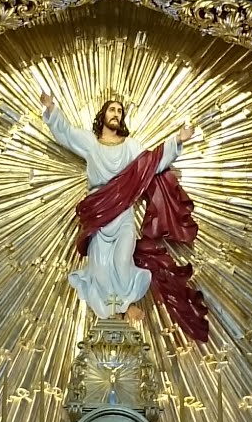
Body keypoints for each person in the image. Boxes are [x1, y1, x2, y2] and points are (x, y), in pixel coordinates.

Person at [40, 90, 211, 341]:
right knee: (99, 268)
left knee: (122, 262)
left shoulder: (130, 147)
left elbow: (153, 161)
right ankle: (114, 312)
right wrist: (51, 109)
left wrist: (178, 140)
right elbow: (65, 132)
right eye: (112, 110)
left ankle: (124, 306)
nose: (116, 114)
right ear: (103, 115)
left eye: (120, 111)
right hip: (100, 212)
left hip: (123, 214)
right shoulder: (91, 143)